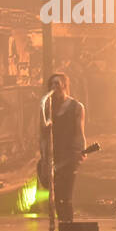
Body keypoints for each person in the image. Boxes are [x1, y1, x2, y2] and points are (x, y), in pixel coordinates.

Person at [39, 73, 87, 223]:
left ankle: (69, 229)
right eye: (51, 85)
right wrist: (44, 158)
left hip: (69, 157)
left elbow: (80, 132)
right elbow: (43, 135)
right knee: (56, 198)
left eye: (57, 84)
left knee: (65, 197)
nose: (54, 88)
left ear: (65, 86)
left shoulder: (76, 107)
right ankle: (62, 228)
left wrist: (82, 150)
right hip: (54, 157)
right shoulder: (48, 108)